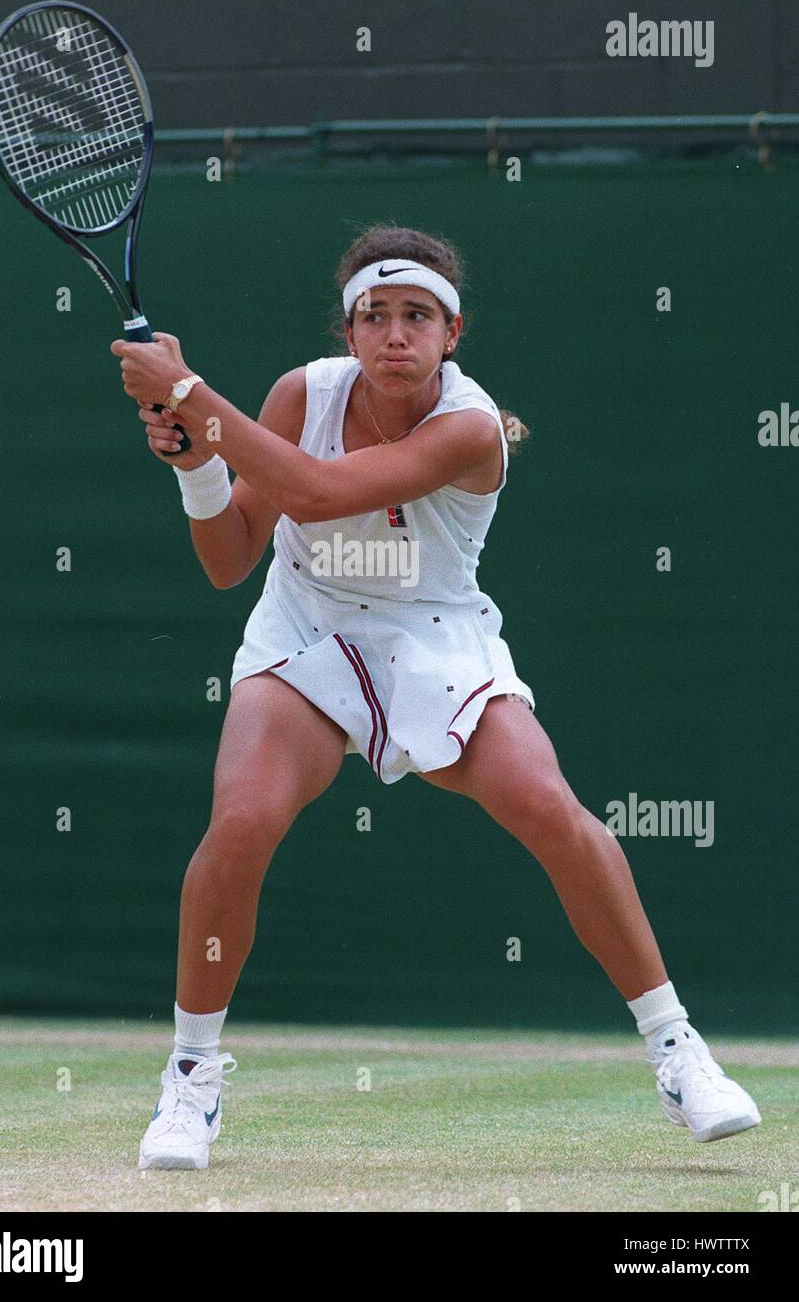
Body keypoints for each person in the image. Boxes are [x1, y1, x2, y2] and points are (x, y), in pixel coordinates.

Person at [112, 224, 761, 1171]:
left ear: (451, 332)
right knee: (241, 822)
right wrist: (198, 465)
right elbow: (228, 560)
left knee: (551, 809)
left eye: (416, 315)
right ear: (348, 332)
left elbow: (317, 492)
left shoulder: (469, 427)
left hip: (437, 641)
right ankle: (190, 1078)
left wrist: (185, 392)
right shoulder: (302, 393)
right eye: (372, 316)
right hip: (305, 635)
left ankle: (676, 1050)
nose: (393, 334)